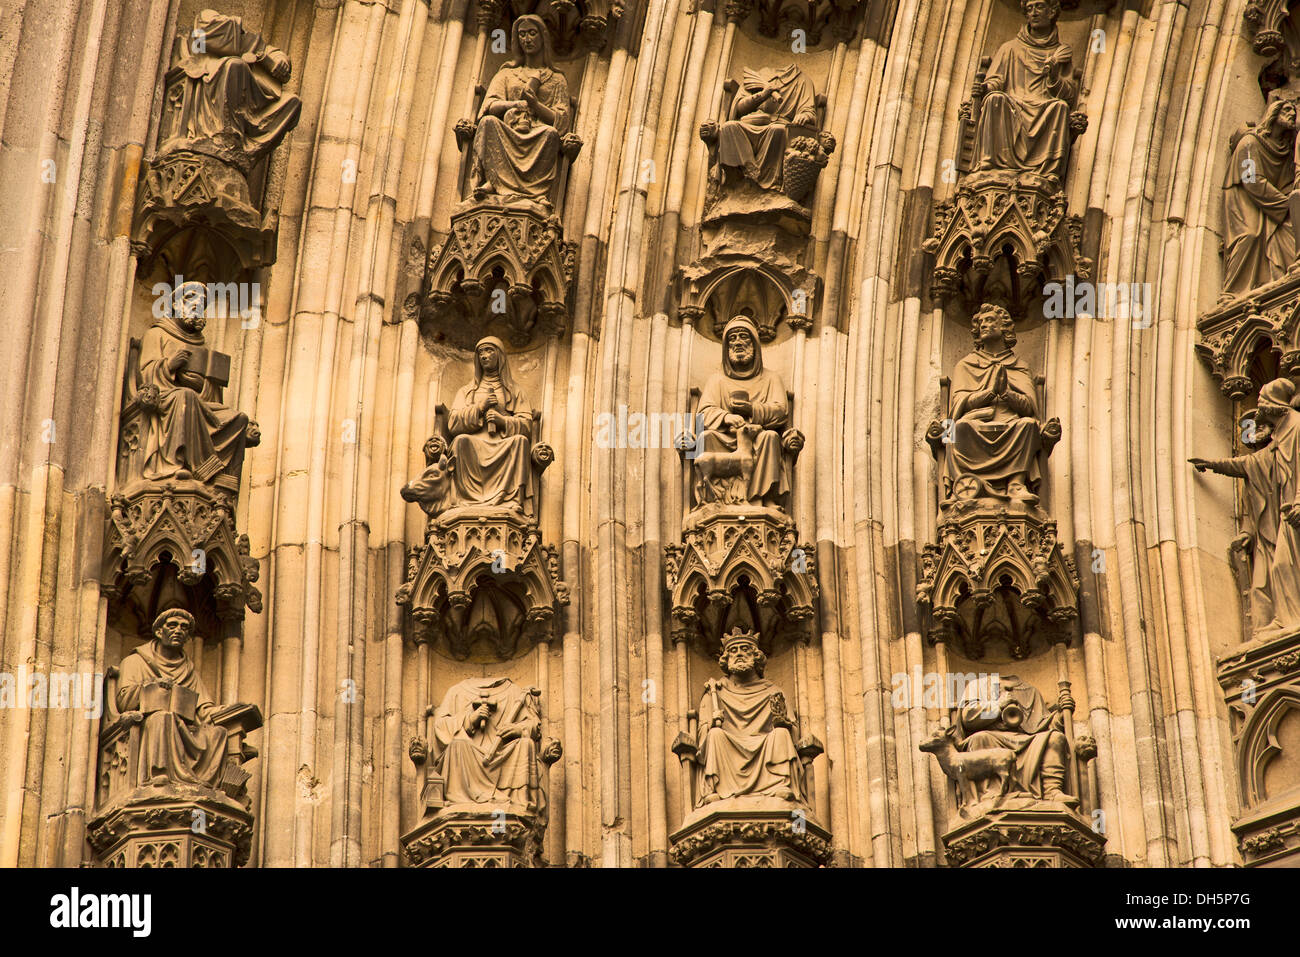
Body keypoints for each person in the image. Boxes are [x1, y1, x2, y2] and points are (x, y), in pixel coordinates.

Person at [1191, 377, 1300, 636]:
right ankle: (1271, 624)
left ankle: (1291, 619)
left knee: (1283, 566)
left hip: (1290, 515)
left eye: (1263, 406)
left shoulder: (1293, 430)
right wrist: (1211, 463)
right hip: (1272, 527)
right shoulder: (1269, 452)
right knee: (1262, 582)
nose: (1256, 429)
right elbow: (1243, 467)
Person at [132, 282, 255, 490]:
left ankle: (223, 478)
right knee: (185, 397)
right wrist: (170, 365)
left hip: (198, 404)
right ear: (176, 304)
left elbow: (211, 398)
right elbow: (145, 376)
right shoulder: (157, 334)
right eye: (192, 301)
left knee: (239, 419)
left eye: (202, 304)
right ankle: (177, 465)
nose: (198, 306)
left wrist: (202, 384)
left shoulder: (202, 346)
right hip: (166, 399)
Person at [164, 9, 302, 168]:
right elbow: (200, 42)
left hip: (254, 98)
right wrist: (238, 43)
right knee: (235, 65)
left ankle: (246, 148)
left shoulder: (249, 40)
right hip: (214, 85)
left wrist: (279, 61)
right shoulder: (206, 21)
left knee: (293, 102)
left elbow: (272, 53)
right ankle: (227, 136)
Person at [115, 608, 229, 789]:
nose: (178, 630)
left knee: (219, 733)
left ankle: (205, 784)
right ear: (159, 632)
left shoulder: (188, 670)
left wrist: (224, 711)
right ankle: (159, 774)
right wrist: (152, 686)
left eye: (184, 628)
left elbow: (203, 709)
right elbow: (123, 700)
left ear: (188, 637)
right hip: (150, 725)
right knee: (163, 718)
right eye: (173, 625)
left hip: (184, 729)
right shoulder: (136, 661)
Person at [693, 630, 807, 806]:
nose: (738, 653)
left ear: (756, 657)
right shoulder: (715, 692)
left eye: (745, 649)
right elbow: (702, 734)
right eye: (733, 651)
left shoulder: (773, 692)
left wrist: (781, 722)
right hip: (728, 747)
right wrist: (712, 722)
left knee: (781, 734)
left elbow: (792, 730)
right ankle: (713, 788)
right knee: (715, 735)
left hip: (764, 746)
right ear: (726, 659)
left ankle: (779, 784)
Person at [945, 303, 1043, 502]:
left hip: (1011, 423)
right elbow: (957, 406)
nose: (984, 325)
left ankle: (1016, 483)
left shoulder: (1019, 366)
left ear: (1004, 328)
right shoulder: (966, 365)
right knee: (959, 427)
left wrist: (1006, 393)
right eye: (981, 322)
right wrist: (989, 393)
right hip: (976, 422)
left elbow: (1029, 408)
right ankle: (965, 483)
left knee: (1029, 425)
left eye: (990, 320)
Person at [693, 315, 792, 508]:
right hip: (726, 438)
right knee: (705, 437)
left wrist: (752, 409)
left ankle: (761, 498)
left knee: (770, 437)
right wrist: (727, 417)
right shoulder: (717, 380)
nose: (738, 342)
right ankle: (710, 500)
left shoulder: (771, 379)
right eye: (732, 338)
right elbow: (702, 415)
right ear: (726, 347)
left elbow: (781, 411)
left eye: (743, 337)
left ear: (754, 344)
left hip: (755, 437)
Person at [472, 16, 571, 203]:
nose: (527, 39)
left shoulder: (557, 79)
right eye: (522, 35)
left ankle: (536, 192)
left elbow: (562, 120)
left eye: (532, 33)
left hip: (537, 132)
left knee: (550, 134)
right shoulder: (507, 73)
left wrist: (536, 106)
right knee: (488, 122)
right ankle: (494, 181)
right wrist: (515, 104)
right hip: (509, 127)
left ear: (543, 38)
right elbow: (490, 106)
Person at [975, 0, 1076, 181]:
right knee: (994, 98)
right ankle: (991, 163)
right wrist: (985, 88)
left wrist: (1054, 77)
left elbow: (1069, 95)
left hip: (1043, 105)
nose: (1034, 13)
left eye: (1039, 6)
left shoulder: (1060, 53)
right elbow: (996, 80)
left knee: (1060, 107)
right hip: (1013, 105)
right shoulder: (1010, 48)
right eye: (1029, 8)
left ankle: (1048, 170)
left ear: (1052, 11)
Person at [445, 337, 538, 515]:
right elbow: (453, 423)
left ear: (500, 356)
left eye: (489, 351)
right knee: (460, 441)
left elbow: (526, 425)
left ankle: (511, 499)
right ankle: (466, 500)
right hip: (475, 442)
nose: (484, 356)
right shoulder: (466, 391)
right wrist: (480, 408)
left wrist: (503, 421)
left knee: (520, 442)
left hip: (503, 442)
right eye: (481, 352)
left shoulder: (515, 391)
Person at [954, 674, 1074, 806]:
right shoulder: (977, 685)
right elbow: (968, 718)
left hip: (1024, 739)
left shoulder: (1030, 691)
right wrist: (998, 706)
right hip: (992, 737)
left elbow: (1044, 724)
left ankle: (1052, 791)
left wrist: (1061, 716)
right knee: (980, 738)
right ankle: (991, 794)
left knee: (1056, 738)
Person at [429, 677, 545, 812]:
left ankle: (517, 803)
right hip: (468, 757)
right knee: (457, 745)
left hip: (502, 756)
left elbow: (534, 726)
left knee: (526, 744)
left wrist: (517, 730)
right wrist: (470, 720)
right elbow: (440, 726)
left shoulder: (514, 692)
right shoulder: (456, 692)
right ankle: (463, 799)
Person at [1222, 97, 1297, 295]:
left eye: (1294, 113)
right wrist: (1285, 204)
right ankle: (1232, 293)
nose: (1292, 114)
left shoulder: (1284, 150)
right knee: (1249, 235)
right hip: (1243, 198)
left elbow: (1287, 182)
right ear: (1274, 113)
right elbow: (1251, 180)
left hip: (1270, 202)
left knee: (1289, 230)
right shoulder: (1250, 142)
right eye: (1287, 110)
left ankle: (1277, 278)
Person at [716, 64, 817, 191]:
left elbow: (809, 111)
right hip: (750, 123)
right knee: (729, 127)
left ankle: (768, 185)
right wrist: (762, 95)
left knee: (778, 130)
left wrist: (804, 116)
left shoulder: (803, 80)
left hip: (779, 125)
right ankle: (739, 178)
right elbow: (738, 109)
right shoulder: (755, 76)